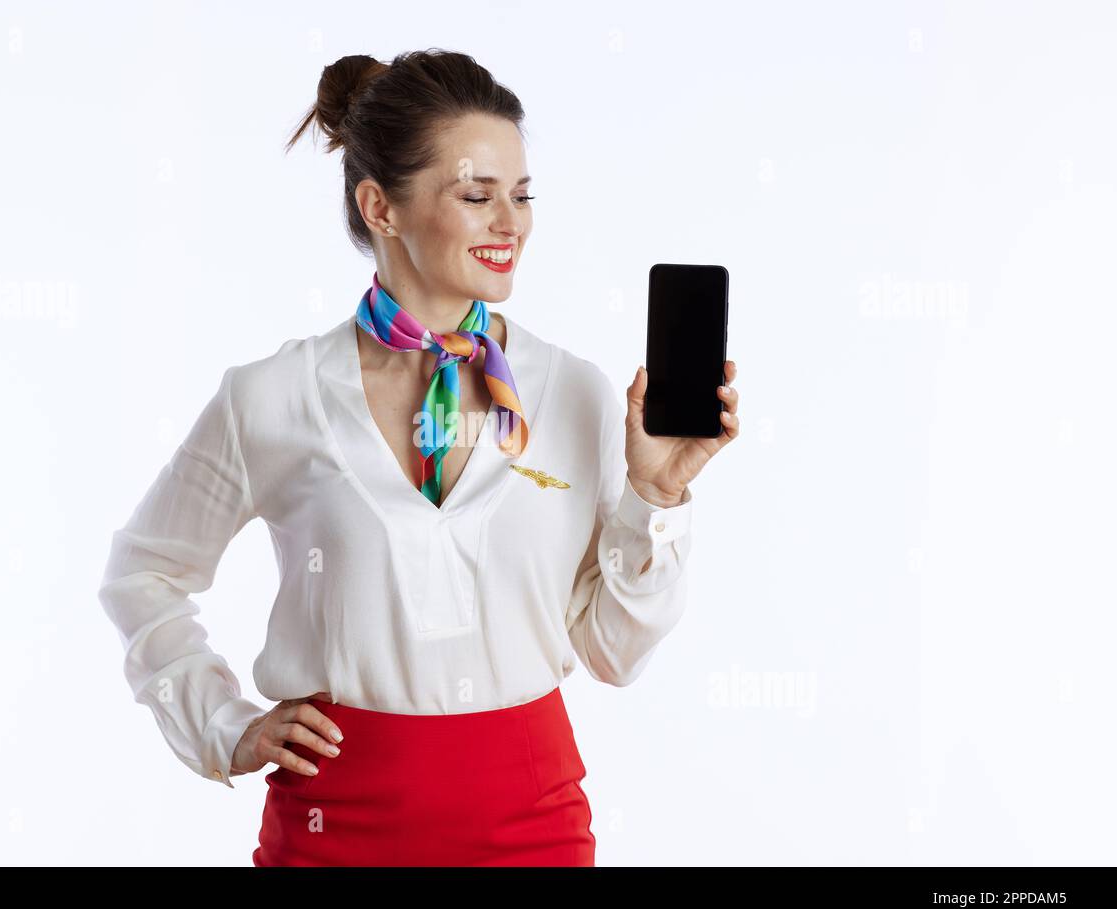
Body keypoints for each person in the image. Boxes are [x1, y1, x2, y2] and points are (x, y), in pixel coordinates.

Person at [97, 48, 740, 867]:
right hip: (333, 827)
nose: (512, 223)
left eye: (521, 195)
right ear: (380, 208)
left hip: (531, 830)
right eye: (477, 196)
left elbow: (613, 653)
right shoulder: (271, 397)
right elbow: (142, 573)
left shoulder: (575, 392)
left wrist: (653, 496)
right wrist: (224, 725)